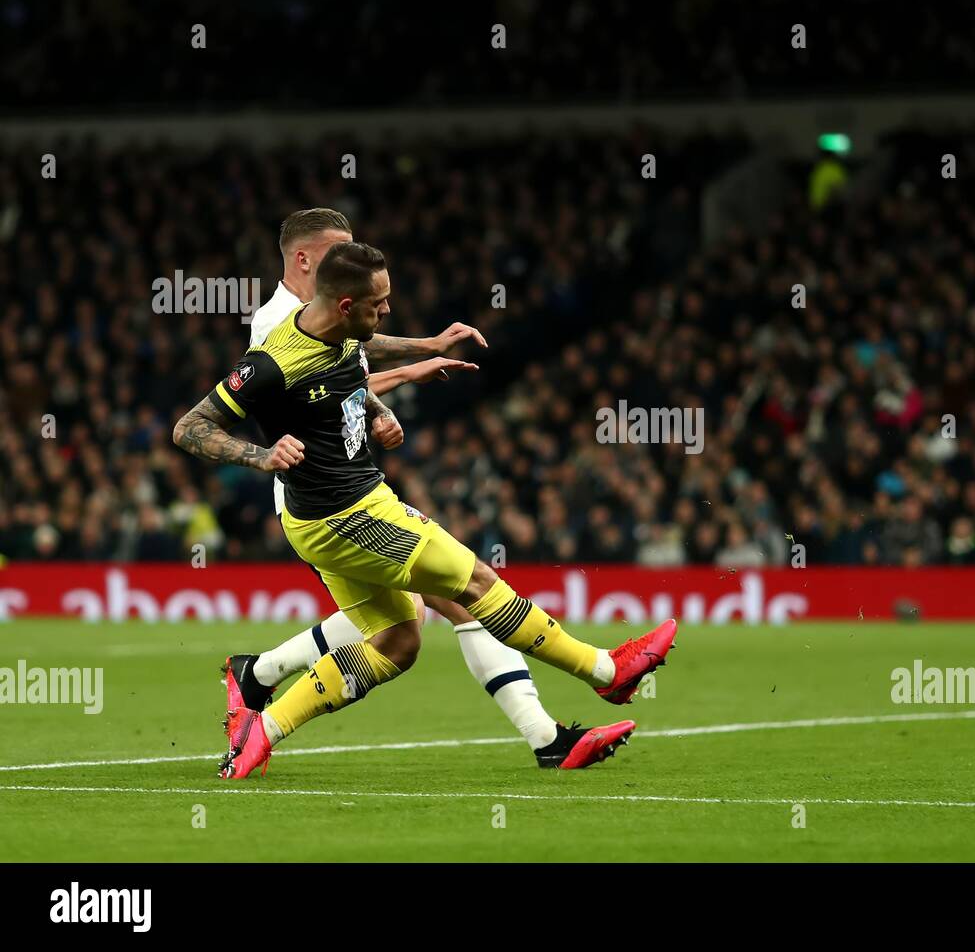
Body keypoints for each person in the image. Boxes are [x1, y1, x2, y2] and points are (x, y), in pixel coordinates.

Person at [173, 241, 676, 779]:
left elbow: (350, 377)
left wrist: (389, 391)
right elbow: (190, 427)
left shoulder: (337, 331)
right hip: (346, 516)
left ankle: (262, 729)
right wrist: (261, 454)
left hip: (333, 514)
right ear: (344, 303)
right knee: (475, 584)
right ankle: (606, 671)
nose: (387, 310)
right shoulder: (273, 359)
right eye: (379, 303)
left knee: (398, 640)